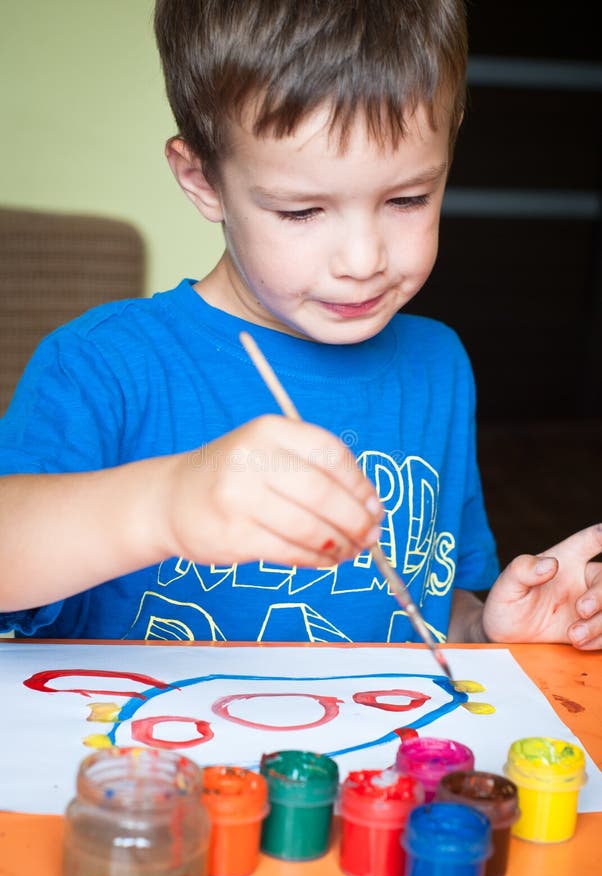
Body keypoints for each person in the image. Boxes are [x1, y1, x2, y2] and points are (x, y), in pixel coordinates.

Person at [0, 0, 600, 649]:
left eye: (407, 199)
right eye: (302, 210)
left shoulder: (438, 365)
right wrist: (164, 503)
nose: (364, 260)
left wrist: (487, 631)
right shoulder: (102, 362)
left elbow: (420, 603)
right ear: (203, 180)